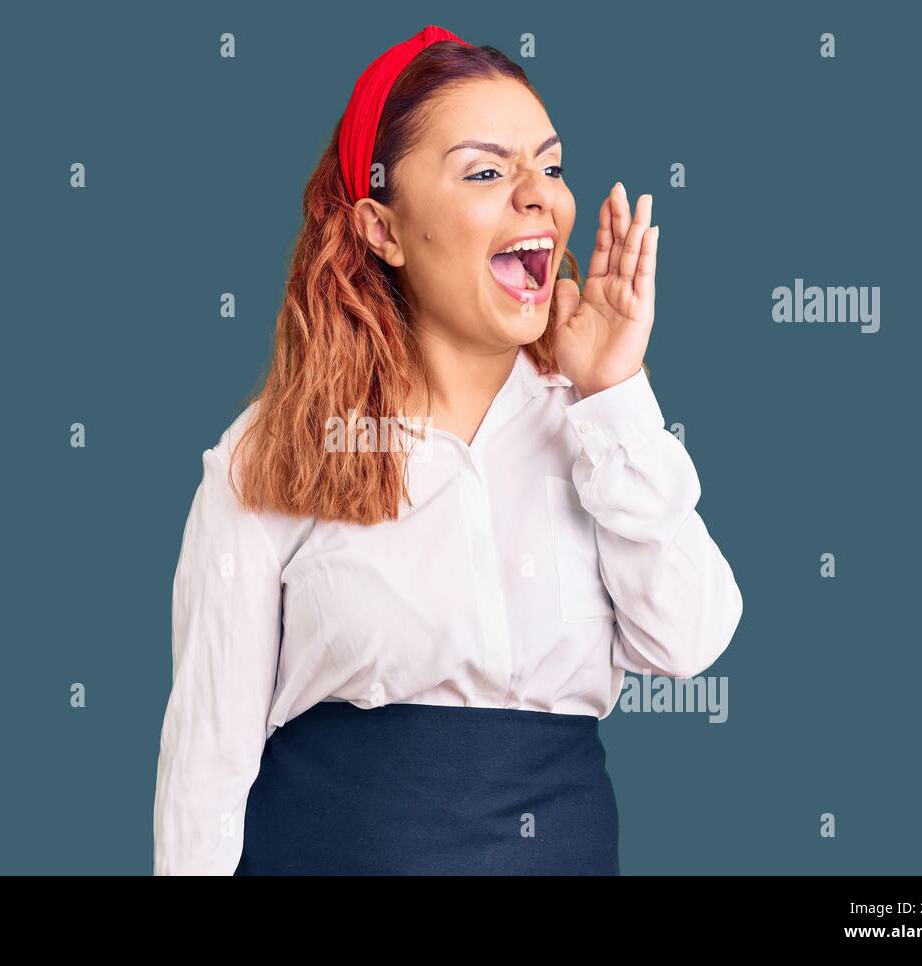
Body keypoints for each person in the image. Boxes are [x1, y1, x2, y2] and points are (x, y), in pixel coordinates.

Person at [153, 24, 743, 875]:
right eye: (487, 171)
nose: (539, 196)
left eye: (549, 164)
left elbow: (690, 641)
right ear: (382, 229)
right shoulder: (271, 455)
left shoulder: (594, 430)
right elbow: (206, 765)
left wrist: (614, 396)